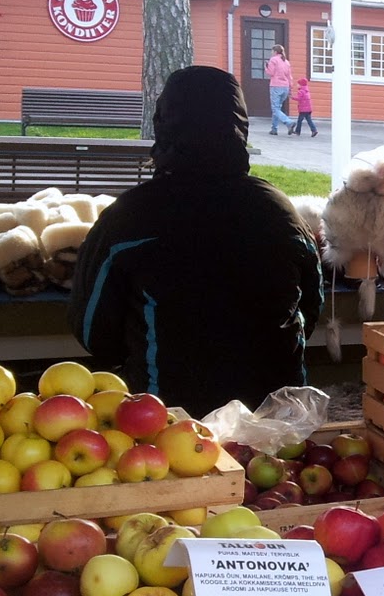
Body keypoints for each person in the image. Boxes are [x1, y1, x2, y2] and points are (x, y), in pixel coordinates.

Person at [69, 66, 324, 417]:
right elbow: (309, 308)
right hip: (276, 423)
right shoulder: (278, 211)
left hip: (168, 424)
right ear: (240, 128)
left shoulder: (130, 217)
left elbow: (93, 332)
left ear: (163, 125)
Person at [263, 44, 293, 136]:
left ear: (275, 52)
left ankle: (288, 122)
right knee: (277, 108)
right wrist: (290, 88)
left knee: (275, 109)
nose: (271, 53)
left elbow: (270, 73)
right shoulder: (286, 62)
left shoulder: (273, 60)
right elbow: (289, 76)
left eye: (272, 51)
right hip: (285, 87)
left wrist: (266, 67)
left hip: (276, 86)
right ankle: (274, 129)